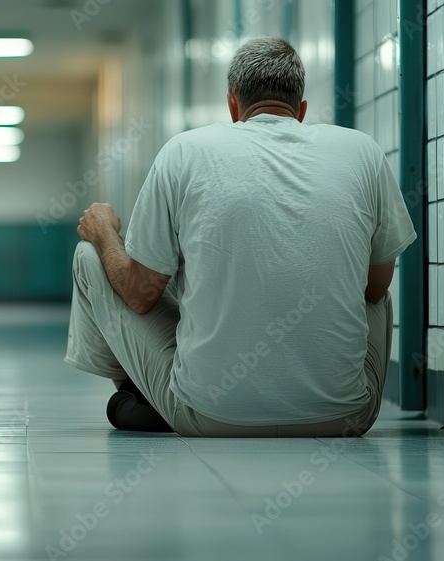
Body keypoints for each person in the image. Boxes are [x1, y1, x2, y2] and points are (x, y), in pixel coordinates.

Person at [65, 37, 416, 437]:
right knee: (376, 282)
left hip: (209, 417)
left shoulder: (184, 151)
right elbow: (375, 288)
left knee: (89, 257)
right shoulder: (363, 151)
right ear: (300, 111)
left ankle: (140, 395)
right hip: (345, 418)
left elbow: (139, 294)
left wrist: (104, 233)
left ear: (233, 105)